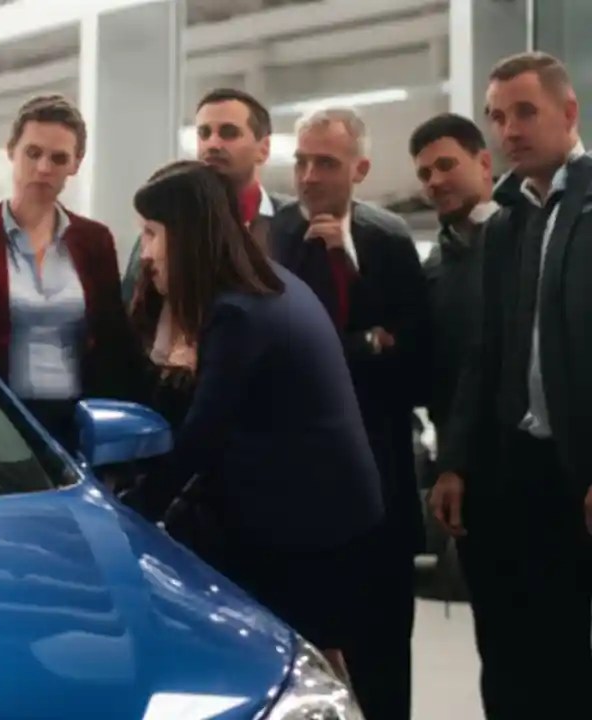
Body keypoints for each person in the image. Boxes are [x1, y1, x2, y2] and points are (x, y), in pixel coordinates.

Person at [122, 159, 383, 674]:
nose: (146, 253)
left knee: (293, 669)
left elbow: (201, 435)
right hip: (328, 511)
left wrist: (132, 513)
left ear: (189, 236)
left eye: (153, 234)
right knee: (319, 660)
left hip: (304, 523)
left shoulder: (237, 314)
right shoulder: (264, 286)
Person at [439, 51, 592, 718]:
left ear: (569, 111)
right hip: (515, 469)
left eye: (525, 112)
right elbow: (485, 354)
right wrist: (454, 462)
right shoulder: (507, 223)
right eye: (498, 117)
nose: (510, 130)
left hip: (581, 464)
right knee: (516, 648)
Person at [267, 106, 430, 720]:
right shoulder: (272, 237)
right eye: (301, 161)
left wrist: (352, 272)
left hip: (378, 478)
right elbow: (279, 351)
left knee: (383, 653)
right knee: (299, 655)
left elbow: (413, 360)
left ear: (359, 169)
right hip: (293, 487)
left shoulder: (388, 243)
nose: (308, 176)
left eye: (326, 163)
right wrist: (368, 341)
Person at [0, 94, 135, 446]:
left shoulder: (94, 241)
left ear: (76, 164)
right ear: (11, 151)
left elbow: (112, 342)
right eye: (33, 153)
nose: (43, 168)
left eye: (58, 158)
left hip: (77, 421)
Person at [407, 113, 505, 718]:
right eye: (424, 173)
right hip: (468, 478)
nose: (435, 180)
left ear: (483, 162)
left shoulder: (523, 240)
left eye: (447, 165)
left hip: (541, 467)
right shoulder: (434, 268)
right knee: (495, 638)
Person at [122, 88, 289, 303]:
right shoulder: (167, 224)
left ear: (263, 149)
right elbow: (134, 307)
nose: (213, 144)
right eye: (204, 133)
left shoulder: (293, 224)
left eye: (229, 133)